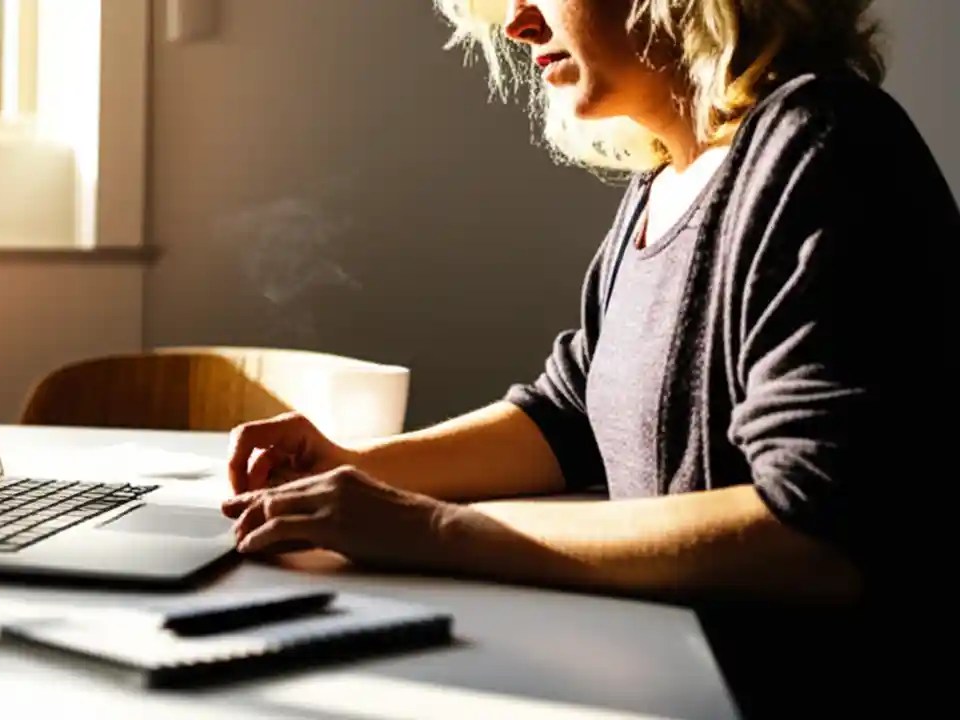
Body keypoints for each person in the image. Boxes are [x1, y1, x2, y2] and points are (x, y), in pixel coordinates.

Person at [220, 0, 957, 715]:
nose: (517, 22)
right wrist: (351, 466)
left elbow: (813, 534)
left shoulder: (824, 146)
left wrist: (429, 530)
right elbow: (566, 418)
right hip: (663, 673)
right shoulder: (664, 182)